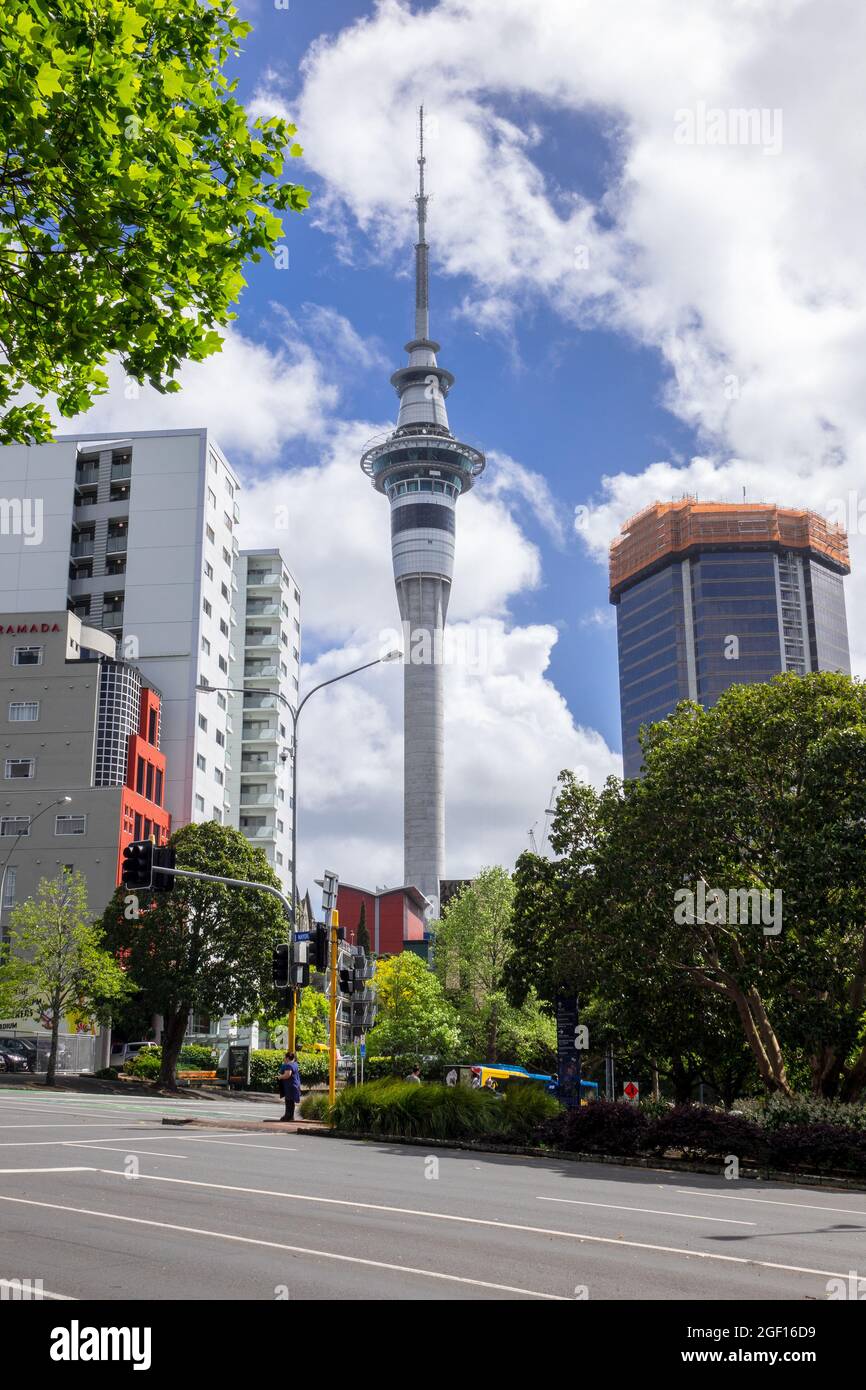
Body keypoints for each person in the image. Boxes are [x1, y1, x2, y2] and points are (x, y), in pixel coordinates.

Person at [277, 1050, 301, 1121]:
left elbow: (288, 1075)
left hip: (290, 1086)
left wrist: (280, 1077)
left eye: (285, 1057)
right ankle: (291, 1116)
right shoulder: (295, 1064)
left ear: (287, 1058)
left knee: (288, 1101)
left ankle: (287, 1116)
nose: (284, 1059)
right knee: (291, 1101)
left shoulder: (289, 1065)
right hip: (295, 1084)